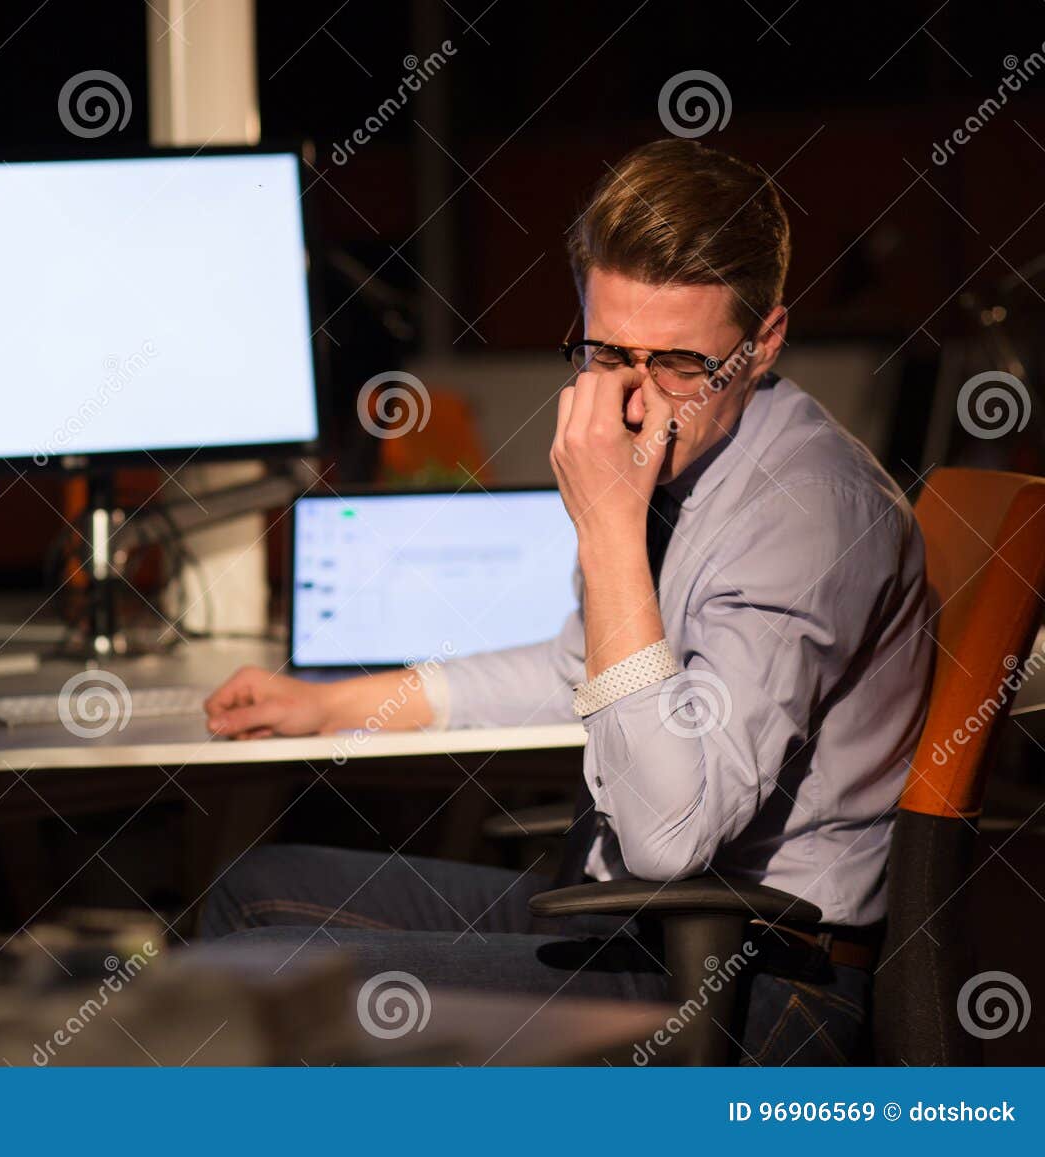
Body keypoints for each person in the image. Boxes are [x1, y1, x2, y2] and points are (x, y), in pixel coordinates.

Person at [197, 138, 934, 1064]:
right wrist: (336, 703)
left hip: (754, 983)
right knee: (255, 888)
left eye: (676, 363)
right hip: (631, 921)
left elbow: (670, 835)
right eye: (603, 350)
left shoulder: (809, 518)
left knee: (263, 978)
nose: (632, 398)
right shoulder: (686, 464)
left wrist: (608, 532)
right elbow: (572, 670)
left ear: (765, 344)